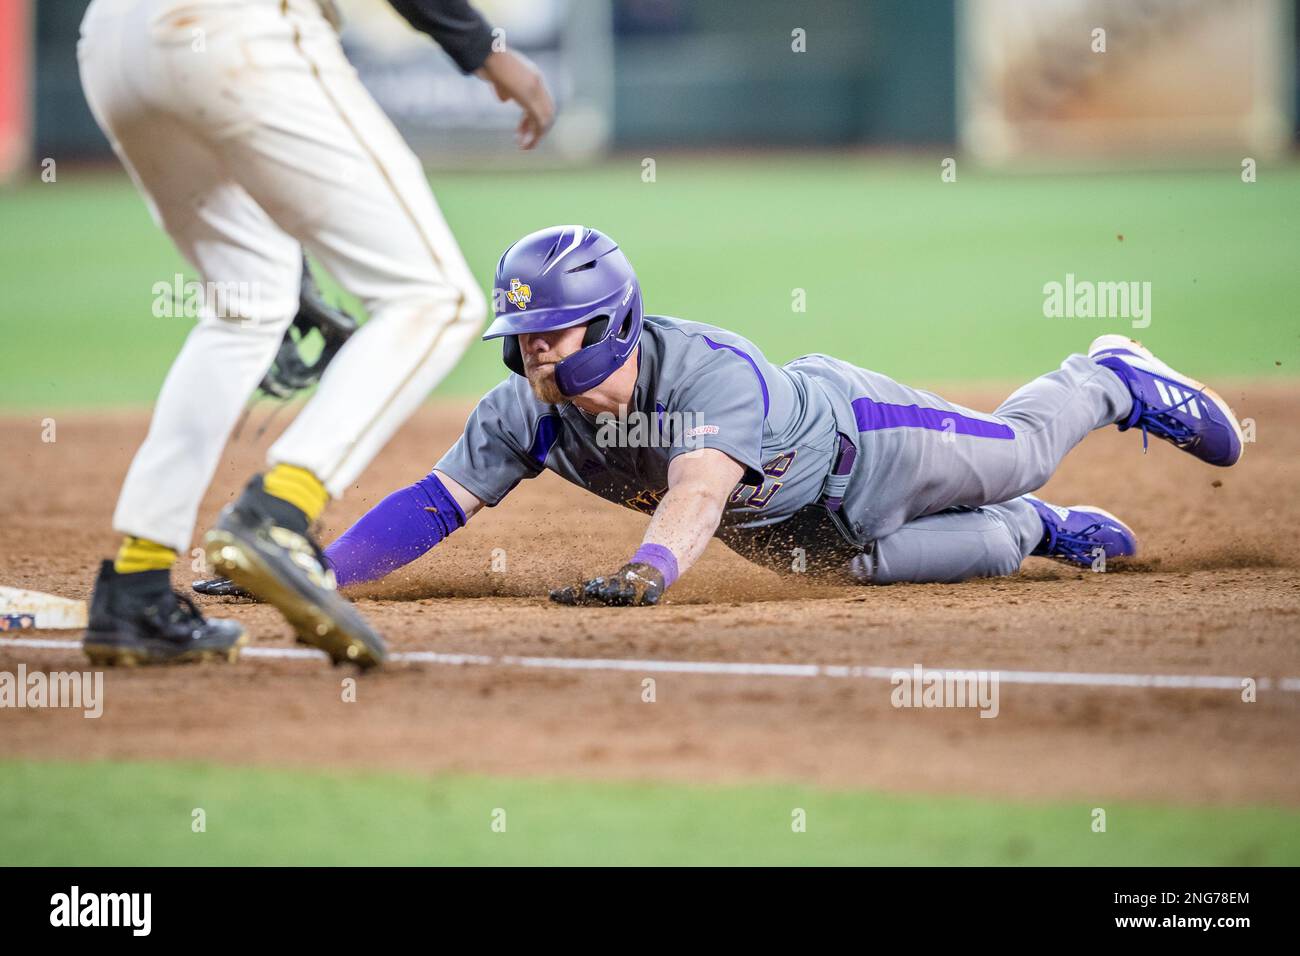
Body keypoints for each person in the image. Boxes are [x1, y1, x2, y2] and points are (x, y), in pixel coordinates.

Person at [198, 224, 1245, 612]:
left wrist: (650, 571)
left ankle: (1103, 371)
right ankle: (1047, 534)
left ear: (612, 322)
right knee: (898, 566)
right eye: (524, 338)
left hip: (866, 439)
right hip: (791, 535)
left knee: (1018, 455)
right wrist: (313, 575)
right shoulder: (522, 409)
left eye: (555, 334)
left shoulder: (709, 375)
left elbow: (698, 489)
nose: (533, 353)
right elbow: (436, 503)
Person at [76, 0, 554, 668]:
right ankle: (278, 511)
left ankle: (137, 585)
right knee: (436, 297)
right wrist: (483, 48)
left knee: (246, 304)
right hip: (235, 27)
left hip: (111, 43)